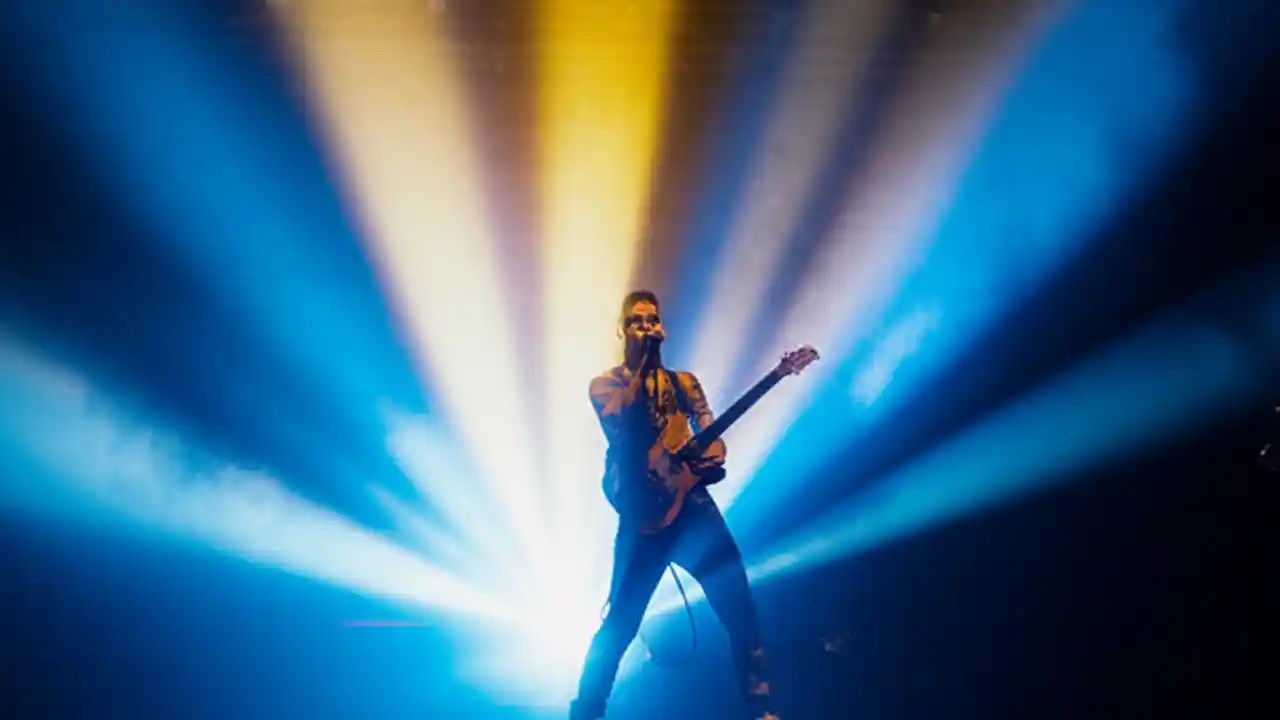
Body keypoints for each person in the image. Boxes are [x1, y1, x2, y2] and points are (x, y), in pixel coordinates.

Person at [569, 290, 780, 720]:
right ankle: (586, 713)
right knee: (619, 625)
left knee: (740, 609)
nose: (646, 327)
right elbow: (624, 427)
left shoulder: (684, 383)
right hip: (644, 514)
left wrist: (712, 456)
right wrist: (641, 363)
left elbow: (709, 428)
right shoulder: (606, 385)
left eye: (652, 320)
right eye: (636, 321)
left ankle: (762, 710)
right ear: (622, 330)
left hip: (692, 507)